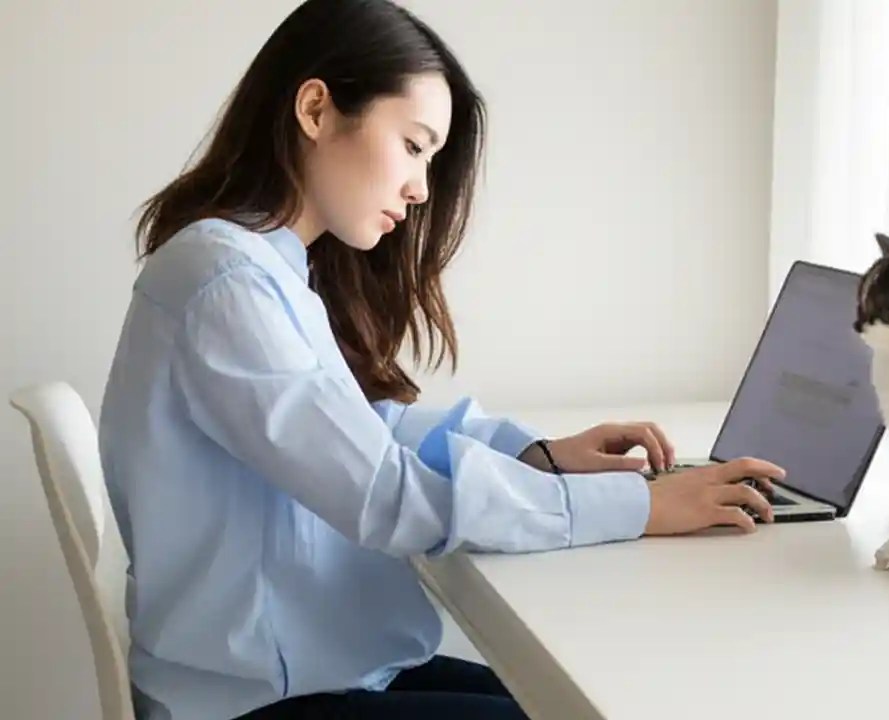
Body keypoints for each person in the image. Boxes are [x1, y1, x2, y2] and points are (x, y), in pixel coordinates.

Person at [98, 1, 785, 718]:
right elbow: (384, 494)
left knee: (588, 699)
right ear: (315, 109)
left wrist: (535, 453)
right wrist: (638, 505)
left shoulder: (260, 266)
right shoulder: (226, 283)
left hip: (310, 667)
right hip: (256, 701)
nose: (422, 188)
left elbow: (367, 428)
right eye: (414, 144)